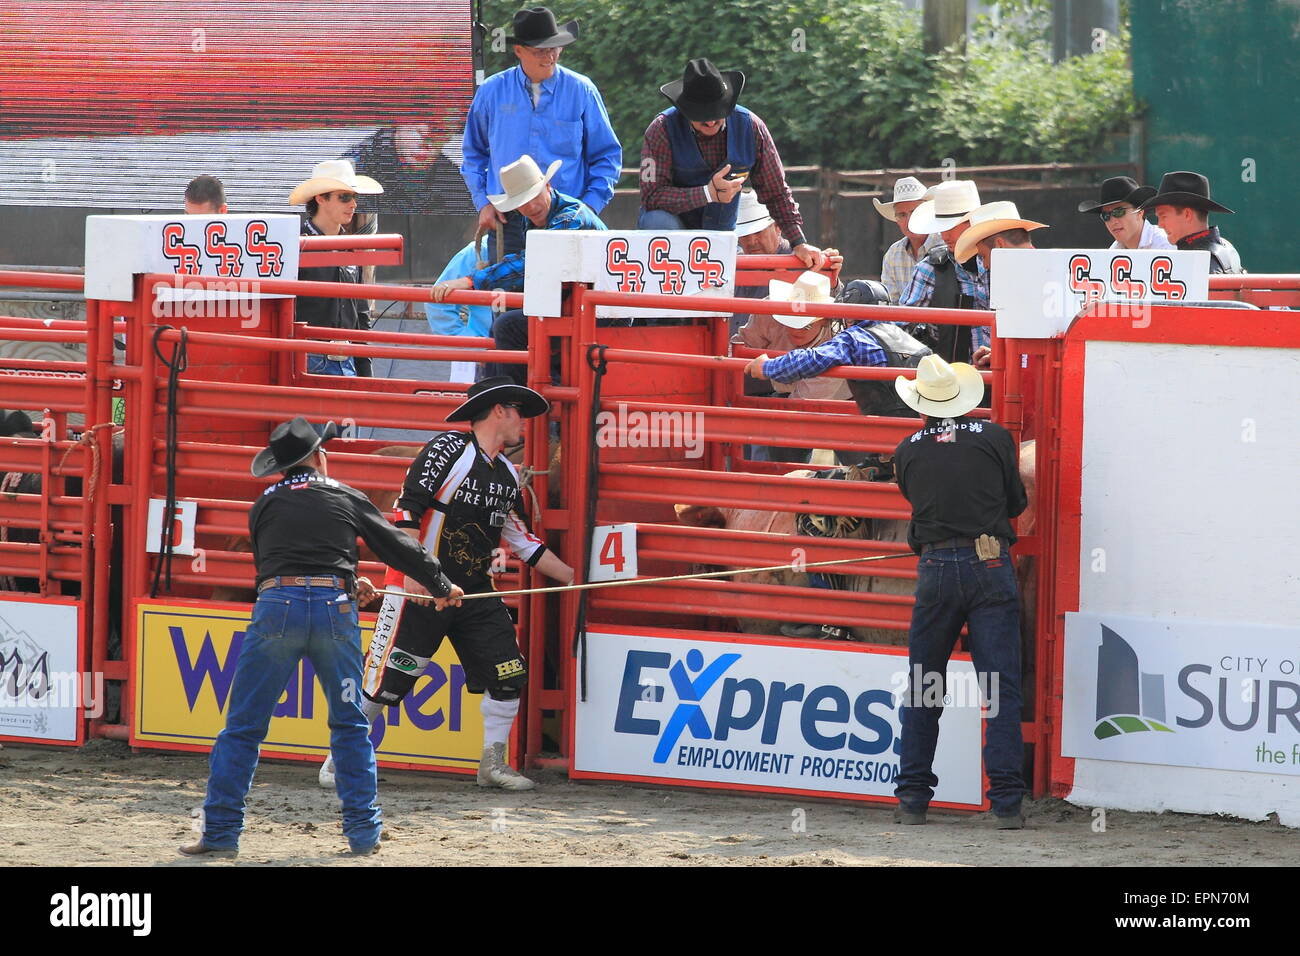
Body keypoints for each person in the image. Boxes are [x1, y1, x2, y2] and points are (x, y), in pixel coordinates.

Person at [179, 417, 460, 858]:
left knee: (243, 727)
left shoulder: (263, 506)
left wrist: (341, 579)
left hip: (277, 609)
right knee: (349, 725)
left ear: (282, 466)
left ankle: (219, 834)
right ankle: (363, 835)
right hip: (334, 612)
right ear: (319, 457)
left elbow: (276, 562)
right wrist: (441, 585)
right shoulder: (345, 495)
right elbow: (396, 546)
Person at [317, 378, 575, 791]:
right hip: (421, 590)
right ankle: (339, 758)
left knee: (508, 675)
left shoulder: (507, 475)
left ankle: (492, 764)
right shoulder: (448, 449)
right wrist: (418, 575)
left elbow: (522, 541)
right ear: (498, 411)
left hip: (473, 593)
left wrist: (572, 579)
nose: (524, 424)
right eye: (518, 412)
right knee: (385, 683)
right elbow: (406, 512)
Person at [891, 356, 1028, 830]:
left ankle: (913, 798)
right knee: (999, 687)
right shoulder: (994, 438)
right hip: (989, 563)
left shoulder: (907, 449)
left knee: (924, 685)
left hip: (935, 566)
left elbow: (917, 505)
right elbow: (1017, 502)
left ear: (922, 405)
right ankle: (1007, 802)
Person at [461, 6, 621, 263]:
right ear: (518, 51)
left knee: (568, 299)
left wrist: (588, 206)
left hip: (567, 213)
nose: (549, 57)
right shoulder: (491, 92)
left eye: (554, 48)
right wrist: (483, 204)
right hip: (508, 215)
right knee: (509, 298)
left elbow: (607, 156)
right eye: (540, 51)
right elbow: (473, 154)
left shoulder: (582, 90)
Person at [433, 155, 606, 388]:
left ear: (548, 186)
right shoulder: (540, 218)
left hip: (601, 313)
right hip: (577, 307)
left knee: (507, 327)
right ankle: (527, 397)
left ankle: (528, 399)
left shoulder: (570, 217)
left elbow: (536, 262)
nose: (530, 206)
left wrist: (471, 281)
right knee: (506, 327)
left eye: (534, 196)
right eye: (522, 202)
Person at [639, 58, 825, 271]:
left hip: (723, 233)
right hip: (671, 233)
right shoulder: (660, 130)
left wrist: (799, 242)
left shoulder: (752, 127)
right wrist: (707, 193)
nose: (710, 122)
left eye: (716, 113)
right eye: (701, 116)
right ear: (684, 110)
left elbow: (776, 192)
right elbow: (651, 197)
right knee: (657, 221)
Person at [744, 272, 931, 422]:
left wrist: (768, 367)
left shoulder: (854, 338)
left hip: (882, 420)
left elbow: (813, 359)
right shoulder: (904, 333)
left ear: (848, 313)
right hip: (921, 418)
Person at [288, 160, 384, 377]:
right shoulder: (296, 246)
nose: (353, 204)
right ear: (320, 198)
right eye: (344, 197)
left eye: (353, 197)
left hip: (344, 358)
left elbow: (360, 313)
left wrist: (365, 369)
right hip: (308, 357)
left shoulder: (350, 247)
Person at [898, 180, 988, 365]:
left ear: (972, 222)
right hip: (956, 383)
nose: (945, 235)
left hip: (1006, 381)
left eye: (952, 225)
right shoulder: (929, 270)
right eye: (941, 225)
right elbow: (900, 327)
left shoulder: (1000, 263)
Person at [953, 201, 1048, 369]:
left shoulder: (1035, 279)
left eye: (983, 256)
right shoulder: (1045, 273)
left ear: (999, 245)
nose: (985, 265)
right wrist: (1000, 356)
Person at [1137, 171, 1243, 273]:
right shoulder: (1227, 248)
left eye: (1163, 216)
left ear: (1187, 214)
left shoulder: (1196, 262)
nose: (1160, 225)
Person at [875, 176, 943, 304]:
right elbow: (890, 304)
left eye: (915, 212)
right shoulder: (893, 254)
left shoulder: (945, 245)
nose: (909, 219)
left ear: (927, 212)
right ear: (897, 220)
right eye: (902, 215)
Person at [1077, 176, 1172, 250]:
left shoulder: (1166, 245)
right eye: (1106, 216)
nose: (1113, 222)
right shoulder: (1114, 252)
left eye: (1119, 212)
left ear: (1140, 212)